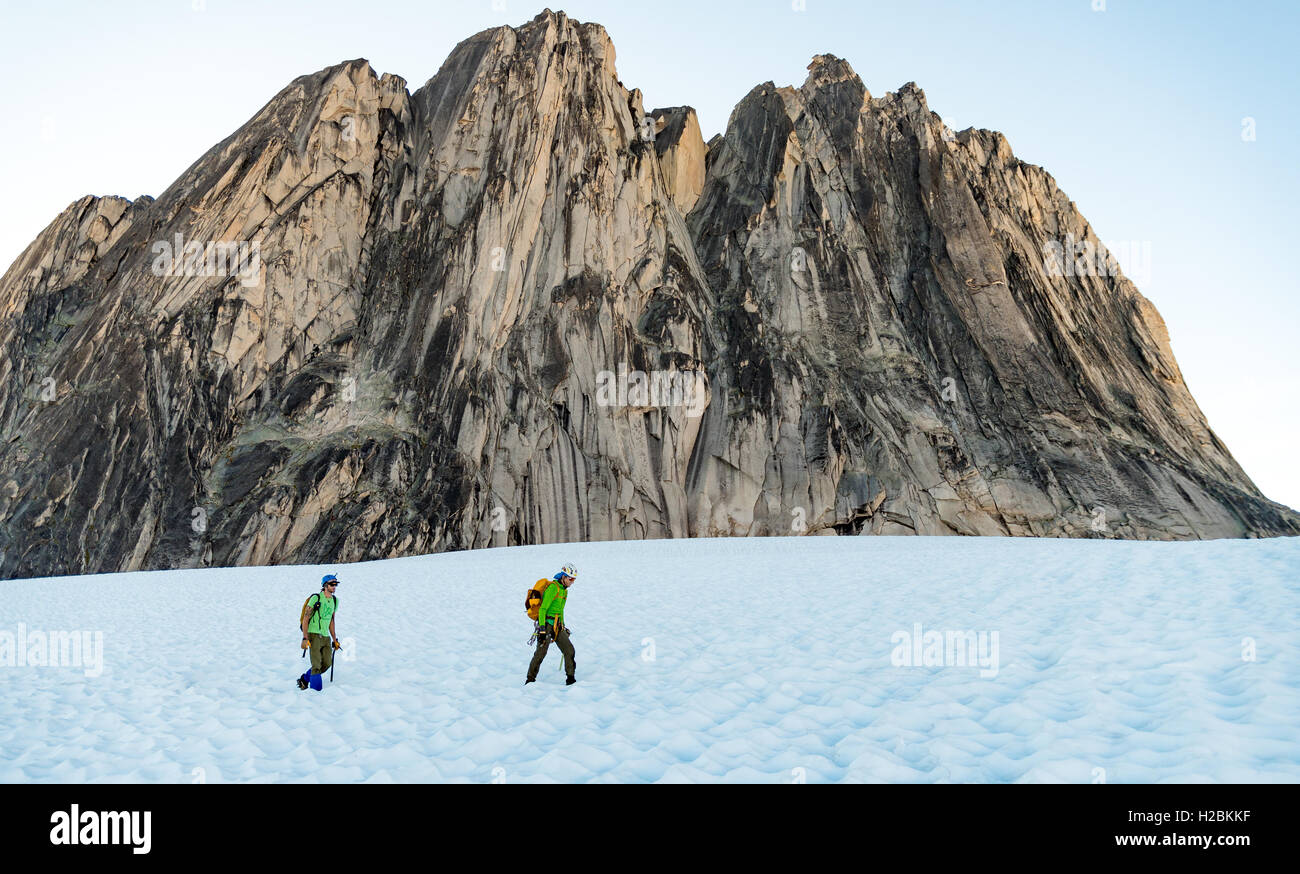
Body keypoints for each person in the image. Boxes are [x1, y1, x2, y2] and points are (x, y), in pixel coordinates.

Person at [526, 564, 577, 686]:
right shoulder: (553, 588)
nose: (572, 582)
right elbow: (543, 609)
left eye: (574, 580)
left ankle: (570, 679)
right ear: (564, 577)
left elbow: (561, 611)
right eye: (570, 579)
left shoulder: (564, 592)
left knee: (569, 650)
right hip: (546, 625)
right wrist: (542, 628)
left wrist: (563, 626)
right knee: (540, 654)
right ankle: (530, 680)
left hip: (557, 626)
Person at [298, 574, 341, 691]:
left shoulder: (335, 601)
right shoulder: (316, 598)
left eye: (336, 584)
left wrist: (334, 639)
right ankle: (315, 694)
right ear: (325, 585)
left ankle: (305, 678)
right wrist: (305, 638)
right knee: (316, 666)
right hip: (314, 635)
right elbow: (306, 618)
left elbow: (332, 621)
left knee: (327, 663)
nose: (334, 586)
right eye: (332, 584)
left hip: (325, 636)